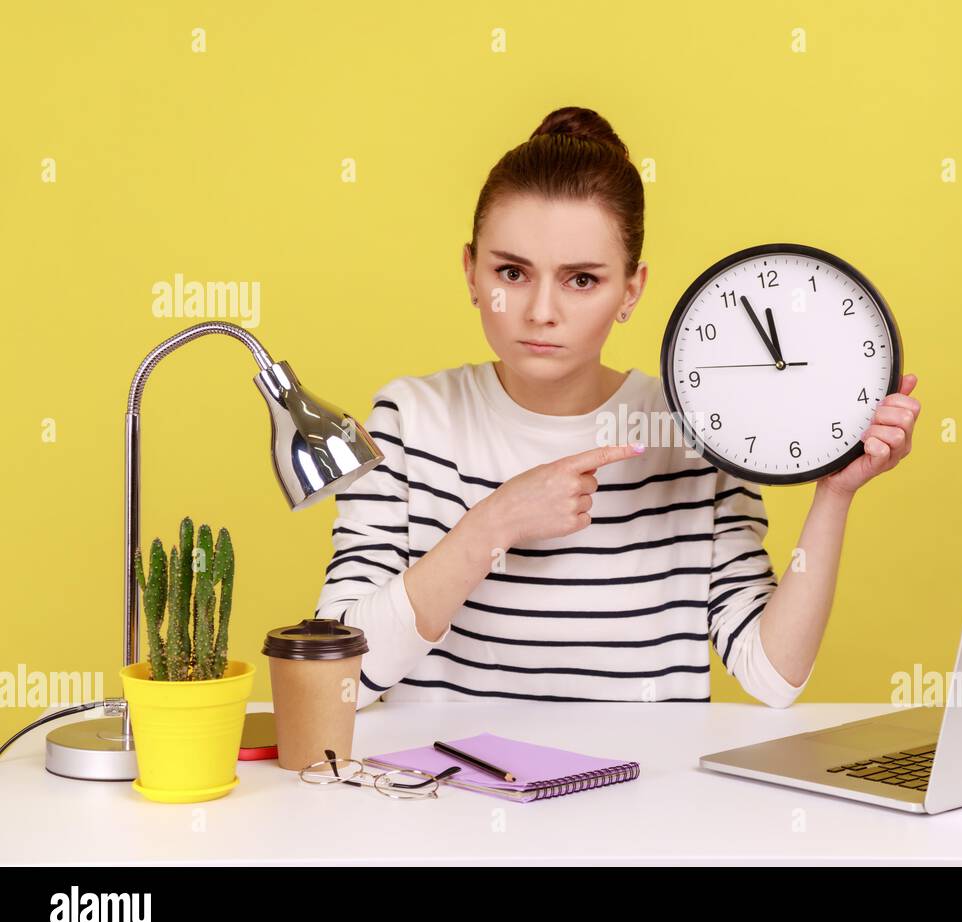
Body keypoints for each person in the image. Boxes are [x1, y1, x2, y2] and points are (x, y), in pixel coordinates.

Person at [315, 105, 920, 709]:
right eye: (512, 272)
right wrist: (493, 524)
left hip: (639, 798)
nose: (541, 311)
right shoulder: (406, 420)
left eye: (582, 280)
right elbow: (335, 682)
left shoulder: (693, 427)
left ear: (631, 291)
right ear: (471, 271)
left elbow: (773, 675)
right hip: (446, 792)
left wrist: (835, 494)